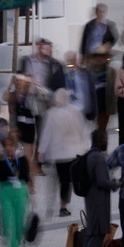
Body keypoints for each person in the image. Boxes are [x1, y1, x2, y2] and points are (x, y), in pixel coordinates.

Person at [38, 89, 86, 218]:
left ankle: (56, 205)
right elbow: (80, 131)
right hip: (68, 153)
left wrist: (41, 151)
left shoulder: (51, 113)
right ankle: (63, 205)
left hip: (59, 154)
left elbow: (46, 133)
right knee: (66, 181)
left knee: (60, 180)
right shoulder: (74, 111)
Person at [84, 129, 121, 247]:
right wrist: (117, 184)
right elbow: (102, 181)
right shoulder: (98, 158)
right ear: (100, 140)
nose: (107, 142)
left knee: (90, 237)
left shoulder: (89, 155)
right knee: (96, 238)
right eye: (106, 139)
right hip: (99, 203)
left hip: (92, 200)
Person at [86, 47, 118, 133]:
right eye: (96, 56)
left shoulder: (111, 72)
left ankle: (102, 142)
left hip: (105, 106)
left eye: (102, 56)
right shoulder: (89, 72)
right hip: (93, 106)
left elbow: (116, 88)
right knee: (95, 129)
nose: (99, 59)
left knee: (102, 128)